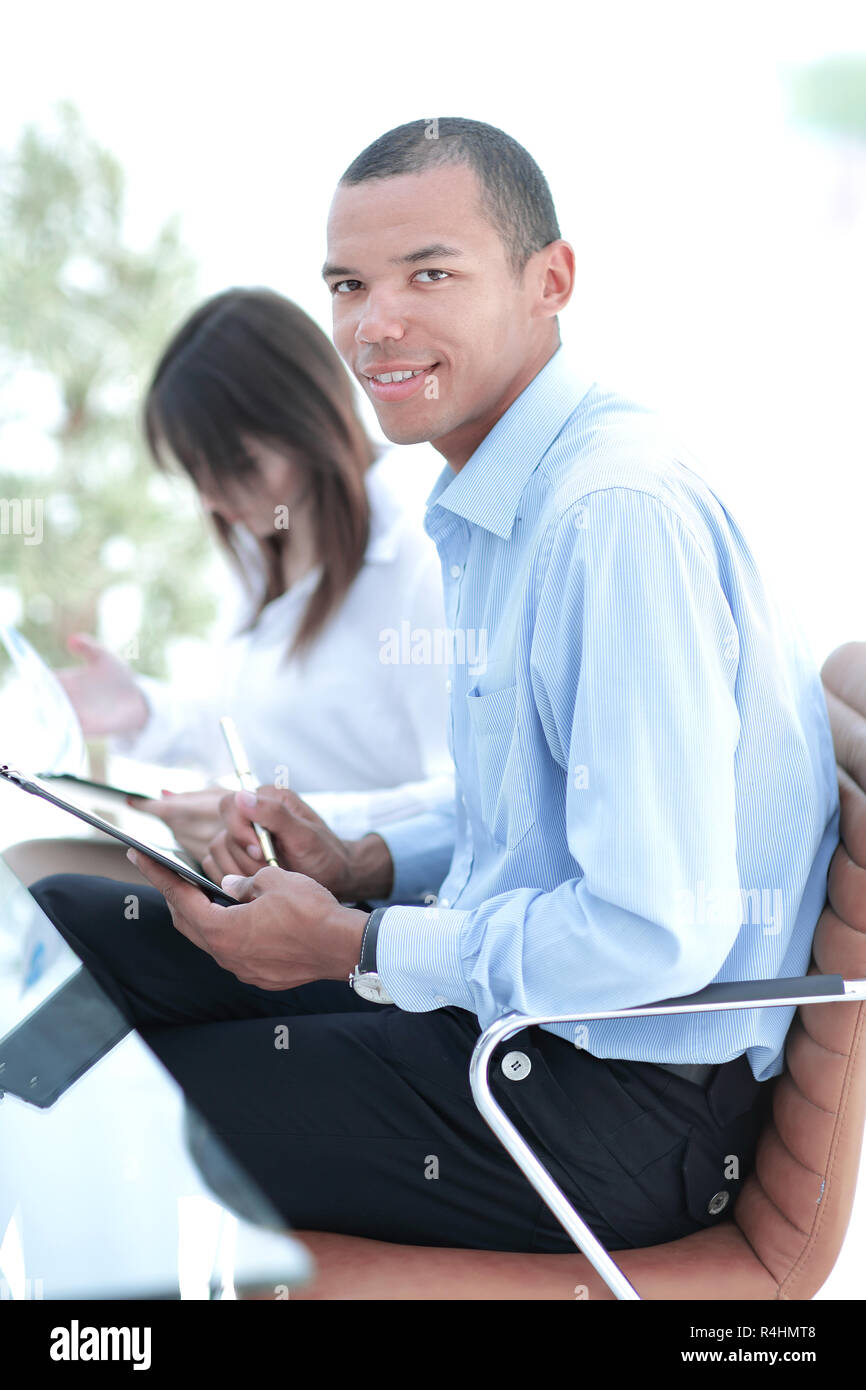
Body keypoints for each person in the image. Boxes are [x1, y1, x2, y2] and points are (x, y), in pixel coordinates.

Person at [30, 117, 840, 1264]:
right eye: (348, 285)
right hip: (520, 1024)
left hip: (601, 1103)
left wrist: (357, 945)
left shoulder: (607, 520)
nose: (375, 324)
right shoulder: (502, 504)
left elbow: (654, 932)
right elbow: (523, 806)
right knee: (63, 927)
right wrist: (360, 862)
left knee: (106, 1101)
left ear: (548, 280)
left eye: (429, 274)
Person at [5, 287, 453, 885]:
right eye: (197, 475)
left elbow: (470, 806)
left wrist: (280, 818)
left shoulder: (424, 555)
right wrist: (141, 710)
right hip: (264, 891)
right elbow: (260, 723)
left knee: (66, 891)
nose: (214, 500)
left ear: (310, 420)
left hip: (373, 929)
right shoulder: (265, 544)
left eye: (237, 466)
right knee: (48, 879)